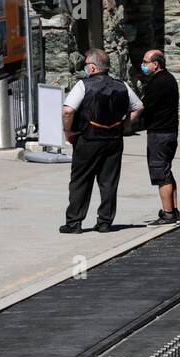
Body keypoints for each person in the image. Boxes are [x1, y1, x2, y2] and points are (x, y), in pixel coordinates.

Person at [60, 48, 142, 234]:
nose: (85, 68)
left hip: (88, 139)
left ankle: (74, 223)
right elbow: (138, 106)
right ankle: (105, 222)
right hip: (113, 139)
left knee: (81, 181)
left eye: (86, 65)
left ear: (93, 67)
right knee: (109, 182)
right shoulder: (122, 85)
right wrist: (125, 126)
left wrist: (68, 132)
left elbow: (67, 111)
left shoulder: (83, 85)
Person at [139, 48, 180, 224]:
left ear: (156, 64)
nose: (143, 65)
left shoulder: (158, 83)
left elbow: (145, 107)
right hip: (169, 131)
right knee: (166, 171)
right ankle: (174, 209)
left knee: (160, 174)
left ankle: (168, 213)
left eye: (145, 62)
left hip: (160, 133)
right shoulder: (169, 79)